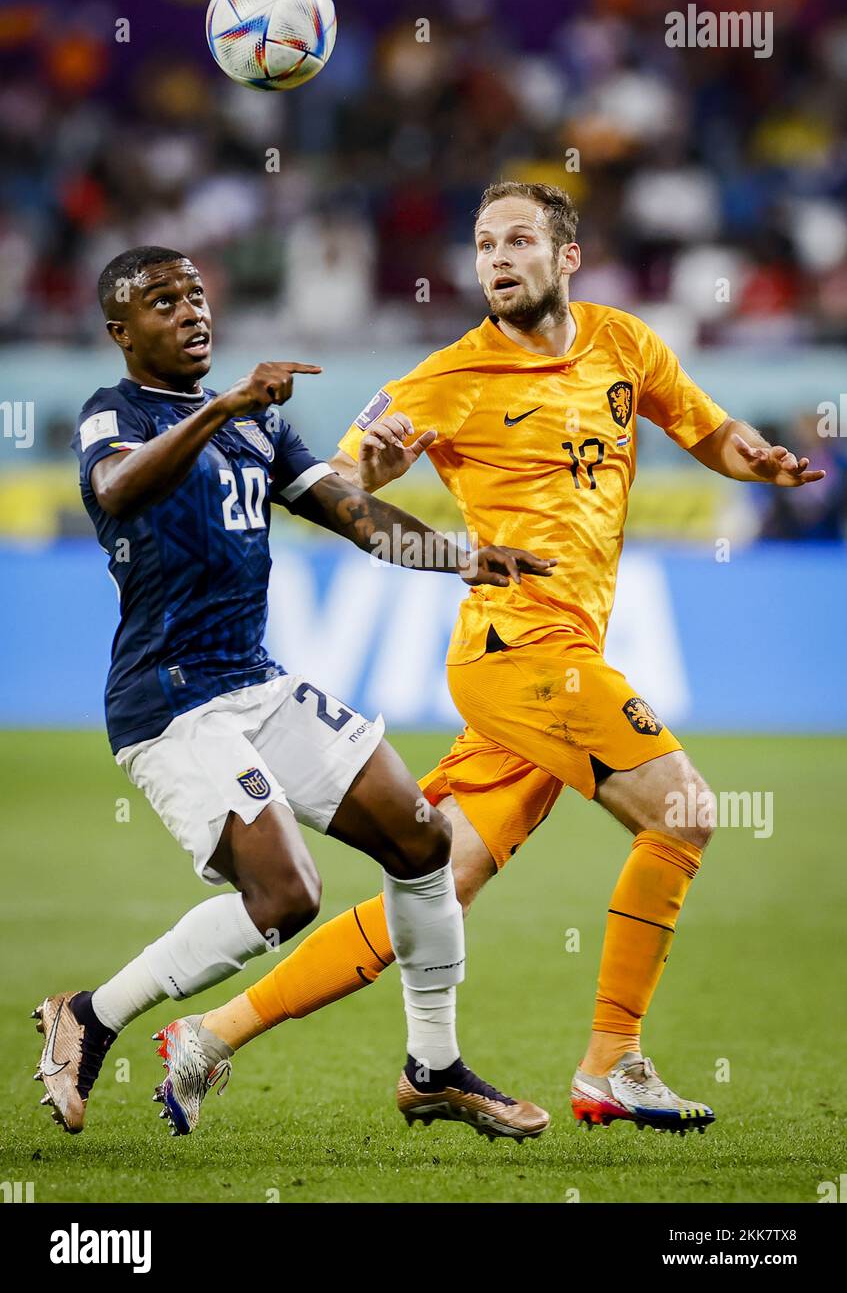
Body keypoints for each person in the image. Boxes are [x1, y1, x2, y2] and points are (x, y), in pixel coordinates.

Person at [163, 183, 825, 1138]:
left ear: (567, 256)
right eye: (482, 245)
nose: (497, 259)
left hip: (553, 660)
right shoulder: (447, 377)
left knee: (436, 887)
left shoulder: (625, 344)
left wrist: (754, 457)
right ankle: (613, 1061)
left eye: (518, 240)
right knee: (682, 813)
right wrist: (377, 461)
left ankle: (208, 1035)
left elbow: (702, 427)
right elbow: (342, 478)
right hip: (519, 649)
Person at [32, 244, 556, 1143]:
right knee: (286, 899)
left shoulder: (260, 428)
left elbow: (355, 516)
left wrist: (463, 558)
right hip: (170, 701)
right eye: (163, 302)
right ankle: (90, 1013)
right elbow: (117, 491)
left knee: (420, 839)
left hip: (257, 683)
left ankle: (432, 1067)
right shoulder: (111, 415)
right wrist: (227, 403)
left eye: (195, 295)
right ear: (122, 333)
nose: (191, 312)